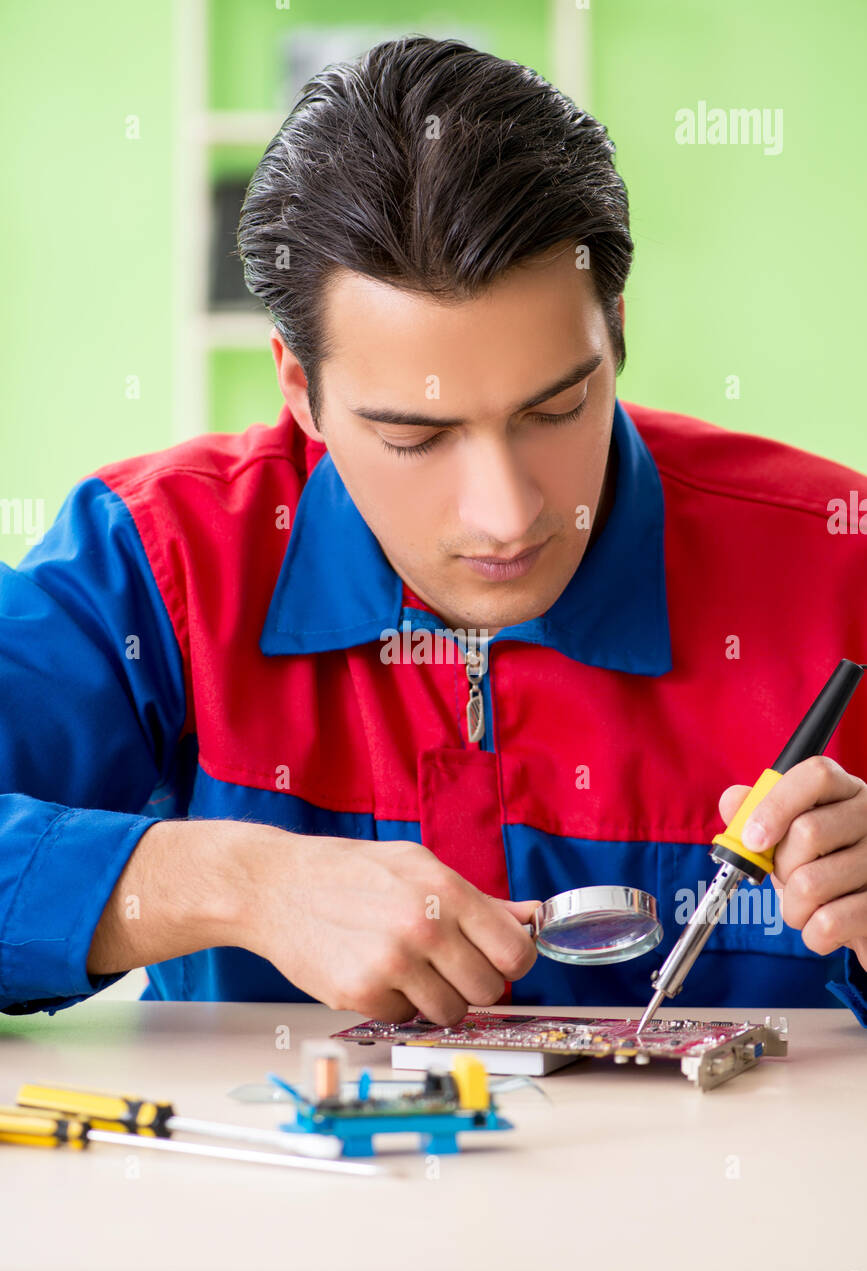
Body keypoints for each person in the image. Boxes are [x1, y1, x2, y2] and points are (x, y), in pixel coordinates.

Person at [2, 36, 866, 1027]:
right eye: (415, 434)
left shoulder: (844, 555)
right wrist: (234, 879)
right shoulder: (156, 562)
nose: (506, 513)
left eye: (556, 408)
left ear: (614, 332)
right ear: (301, 388)